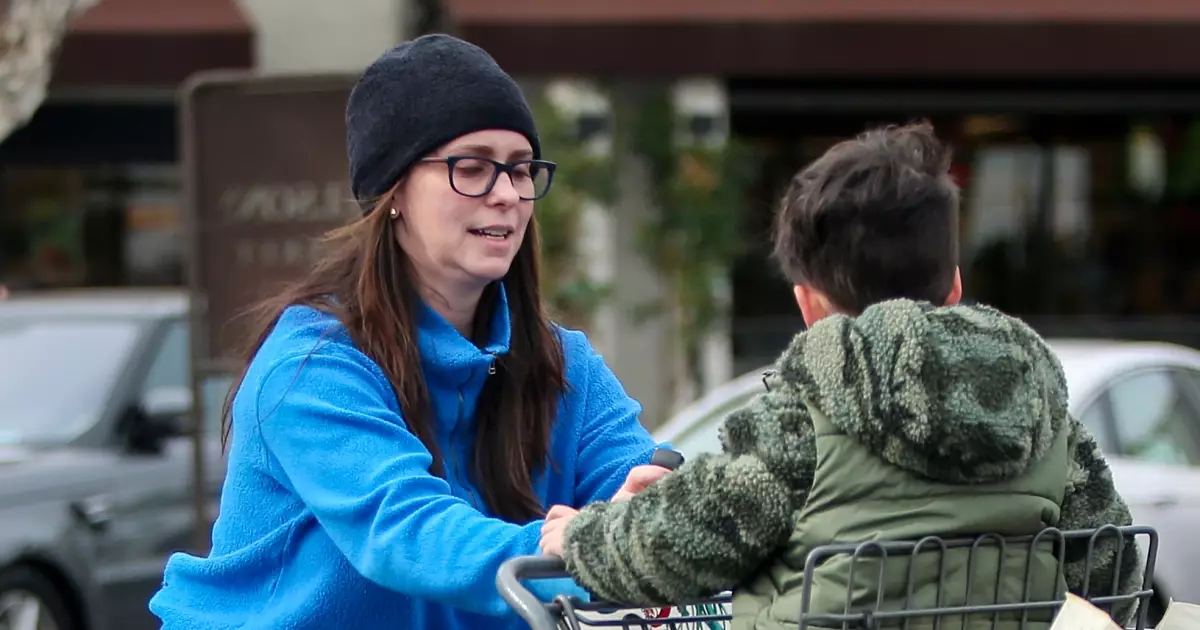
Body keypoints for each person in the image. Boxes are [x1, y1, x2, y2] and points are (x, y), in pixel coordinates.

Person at [148, 34, 669, 630]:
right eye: (471, 168)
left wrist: (661, 511)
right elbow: (407, 532)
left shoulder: (563, 362)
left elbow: (639, 486)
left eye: (521, 170)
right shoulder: (311, 364)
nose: (506, 195)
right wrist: (587, 546)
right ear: (393, 192)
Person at [540, 122, 1144, 630]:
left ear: (809, 306)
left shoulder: (804, 416)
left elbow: (683, 544)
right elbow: (1113, 573)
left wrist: (584, 538)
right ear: (954, 287)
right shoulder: (1042, 414)